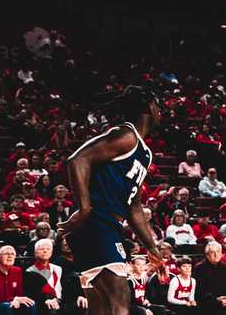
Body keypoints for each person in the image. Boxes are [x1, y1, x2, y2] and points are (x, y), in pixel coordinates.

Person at [57, 85, 166, 315]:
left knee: (101, 308)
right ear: (148, 106)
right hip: (98, 221)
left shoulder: (144, 153)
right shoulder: (126, 136)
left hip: (108, 225)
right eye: (158, 105)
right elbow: (77, 160)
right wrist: (84, 208)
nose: (160, 111)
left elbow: (134, 205)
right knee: (120, 298)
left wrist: (151, 247)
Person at [0, 244, 36, 315]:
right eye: (6, 254)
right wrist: (13, 299)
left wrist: (18, 299)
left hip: (13, 301)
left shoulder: (17, 270)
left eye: (12, 254)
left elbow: (19, 292)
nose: (10, 256)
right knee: (7, 306)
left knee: (30, 304)